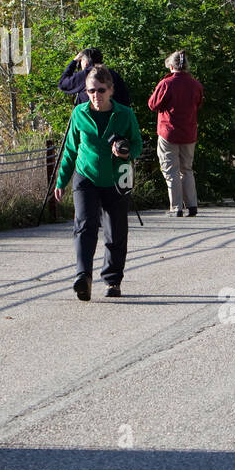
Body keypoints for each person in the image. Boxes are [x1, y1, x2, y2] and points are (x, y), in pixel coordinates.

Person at [53, 66, 142, 300]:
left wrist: (125, 153)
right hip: (86, 176)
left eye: (101, 90)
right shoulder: (79, 114)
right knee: (84, 226)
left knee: (115, 230)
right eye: (91, 90)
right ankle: (83, 277)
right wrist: (61, 180)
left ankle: (112, 281)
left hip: (116, 177)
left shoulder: (125, 114)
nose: (96, 95)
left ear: (111, 90)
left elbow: (137, 145)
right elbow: (71, 149)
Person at [148, 50, 204, 217]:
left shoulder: (166, 84)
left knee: (170, 169)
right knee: (187, 169)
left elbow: (152, 104)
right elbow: (199, 103)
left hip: (169, 131)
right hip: (189, 132)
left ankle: (176, 207)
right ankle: (192, 205)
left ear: (171, 66)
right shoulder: (195, 84)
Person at [59, 47, 132, 107]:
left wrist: (74, 61)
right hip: (116, 118)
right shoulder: (114, 74)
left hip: (89, 120)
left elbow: (63, 83)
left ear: (85, 62)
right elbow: (125, 99)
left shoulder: (85, 74)